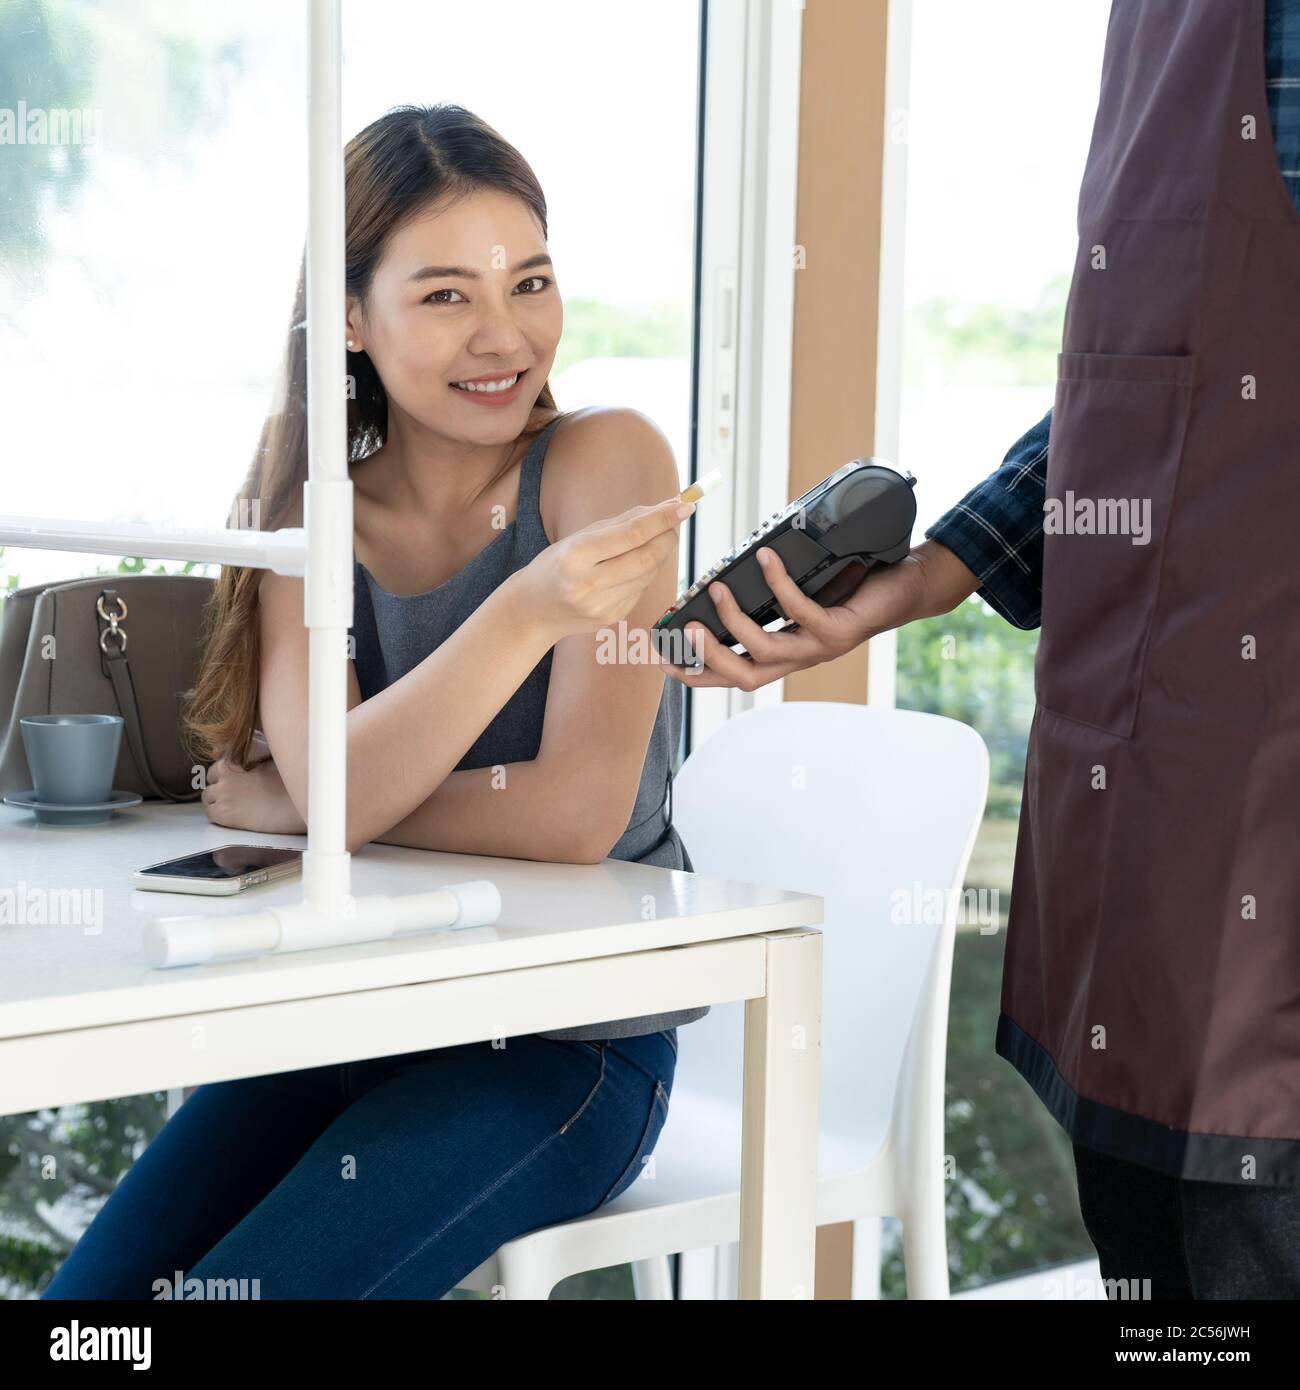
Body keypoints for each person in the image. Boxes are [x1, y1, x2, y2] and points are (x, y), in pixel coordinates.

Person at [665, 0, 1300, 1300]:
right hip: (1142, 800)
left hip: (1264, 838)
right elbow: (1149, 376)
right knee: (1153, 1246)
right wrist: (914, 581)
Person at [43, 104, 704, 1300]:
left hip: (565, 1047)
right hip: (349, 1025)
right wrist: (325, 797)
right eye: (445, 294)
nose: (504, 335)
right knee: (86, 1315)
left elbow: (569, 820)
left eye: (531, 282)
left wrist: (309, 806)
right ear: (350, 316)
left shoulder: (610, 463)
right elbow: (338, 786)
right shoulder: (310, 497)